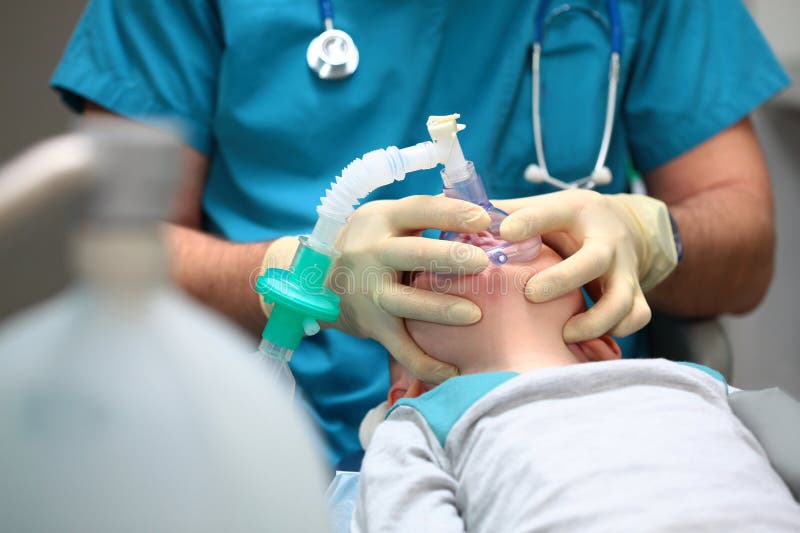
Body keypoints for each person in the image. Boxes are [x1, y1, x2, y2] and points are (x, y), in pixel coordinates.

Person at [51, 0, 789, 466]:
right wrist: (311, 279)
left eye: (522, 256)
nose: (485, 235)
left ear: (598, 339)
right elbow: (117, 244)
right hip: (267, 448)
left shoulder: (674, 399)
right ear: (402, 384)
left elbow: (747, 248)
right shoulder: (402, 449)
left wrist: (648, 233)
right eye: (455, 270)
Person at [353, 242, 800, 532]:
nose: (471, 237)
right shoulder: (426, 419)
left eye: (535, 241)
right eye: (417, 275)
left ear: (600, 345)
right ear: (409, 390)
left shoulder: (684, 378)